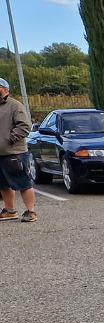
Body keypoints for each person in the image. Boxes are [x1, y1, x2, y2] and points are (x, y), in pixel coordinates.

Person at [0, 78, 36, 222]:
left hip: (14, 153)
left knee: (23, 183)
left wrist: (9, 139)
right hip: (0, 154)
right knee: (3, 184)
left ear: (5, 89)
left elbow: (25, 126)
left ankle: (31, 211)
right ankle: (10, 211)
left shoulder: (15, 105)